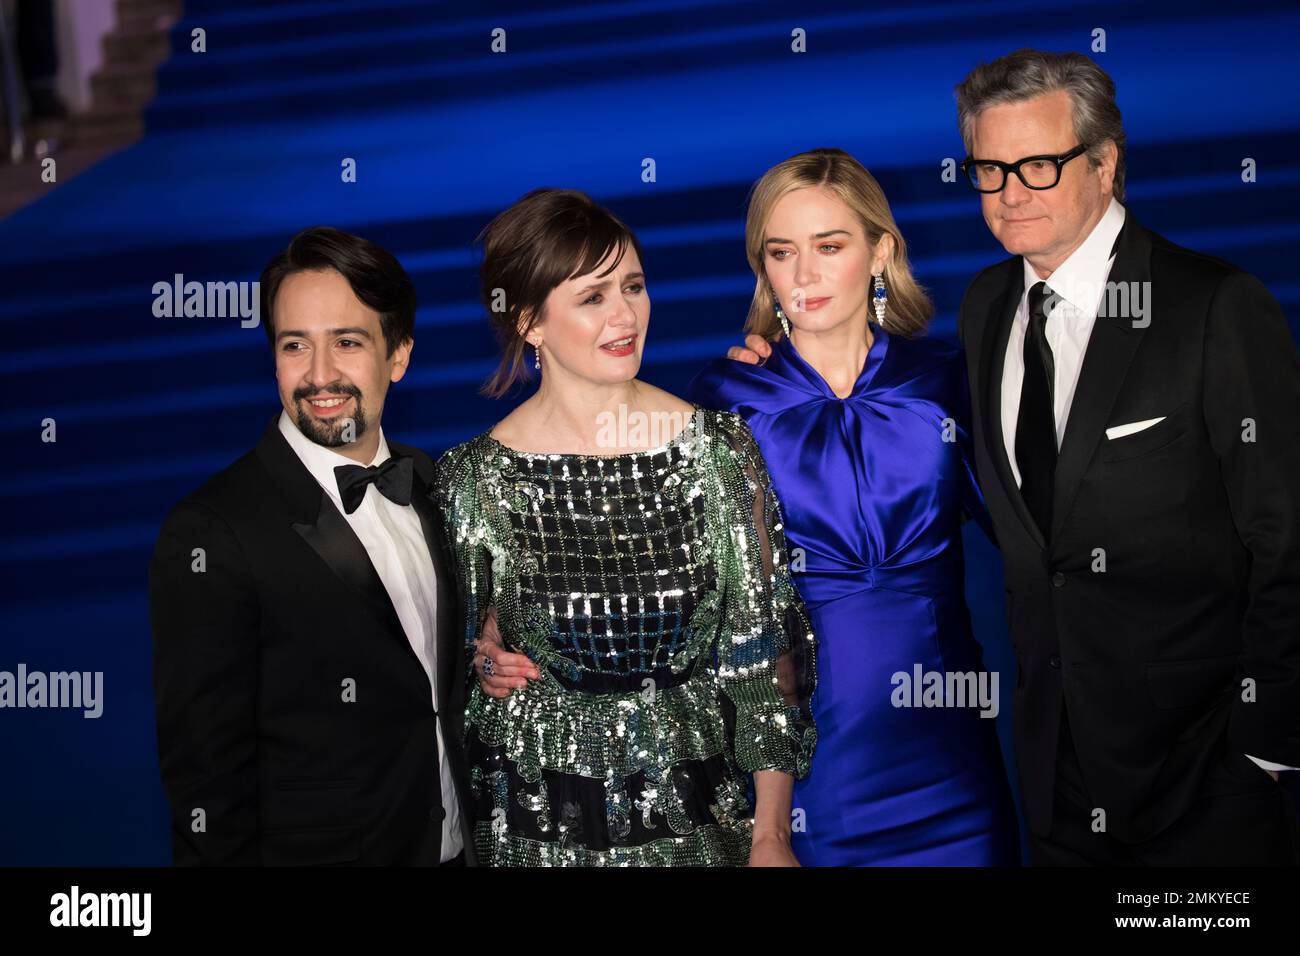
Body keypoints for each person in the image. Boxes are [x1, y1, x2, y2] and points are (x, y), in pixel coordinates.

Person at [949, 48, 1300, 865]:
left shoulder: (1212, 305)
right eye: (989, 169)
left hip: (1208, 778)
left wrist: (1266, 744)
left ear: (1105, 165)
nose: (1010, 193)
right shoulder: (985, 307)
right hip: (1053, 775)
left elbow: (1287, 537)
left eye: (1038, 165)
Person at [434, 188, 817, 866]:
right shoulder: (474, 481)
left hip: (700, 833)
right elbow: (452, 678)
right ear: (529, 322)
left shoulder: (718, 455)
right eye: (593, 297)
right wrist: (480, 661)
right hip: (539, 837)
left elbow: (762, 664)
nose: (625, 315)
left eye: (633, 287)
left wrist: (772, 835)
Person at [695, 149, 1019, 865]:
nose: (803, 275)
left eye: (829, 246)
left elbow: (1033, 540)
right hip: (816, 780)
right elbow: (722, 613)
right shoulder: (732, 399)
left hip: (954, 770)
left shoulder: (943, 381)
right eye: (781, 252)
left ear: (881, 252)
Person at [149, 227, 475, 865]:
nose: (319, 375)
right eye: (295, 345)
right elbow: (206, 783)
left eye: (347, 343)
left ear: (399, 355)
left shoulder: (435, 483)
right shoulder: (212, 531)